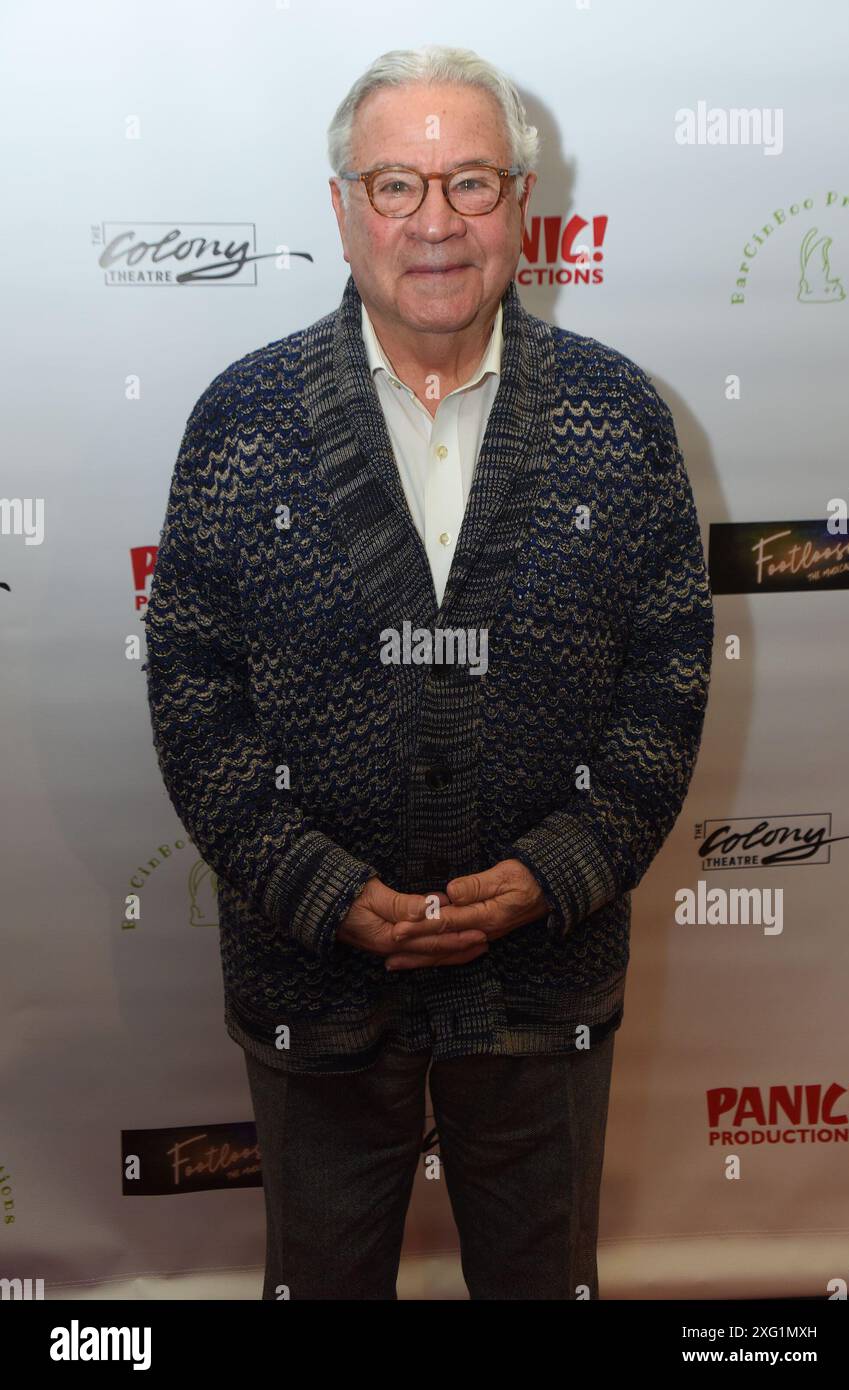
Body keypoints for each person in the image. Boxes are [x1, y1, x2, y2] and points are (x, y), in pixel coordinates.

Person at [144, 43, 714, 1301]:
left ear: (522, 206)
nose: (436, 224)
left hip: (545, 979)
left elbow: (669, 675)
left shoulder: (620, 420)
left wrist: (559, 871)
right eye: (397, 186)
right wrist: (317, 887)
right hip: (315, 986)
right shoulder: (237, 423)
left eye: (471, 184)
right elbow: (191, 690)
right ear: (342, 211)